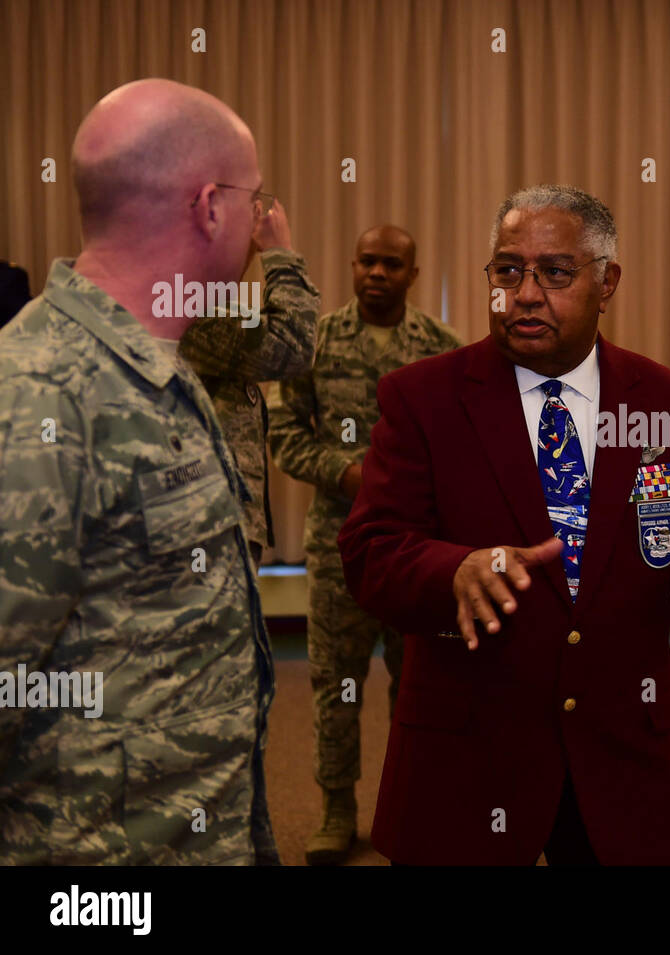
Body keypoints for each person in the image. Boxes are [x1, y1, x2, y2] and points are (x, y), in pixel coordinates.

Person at [337, 185, 670, 866]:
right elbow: (371, 551)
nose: (525, 293)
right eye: (507, 270)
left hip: (622, 763)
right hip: (469, 760)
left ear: (607, 281)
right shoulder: (424, 398)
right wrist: (454, 569)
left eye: (555, 273)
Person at [0, 79, 278, 864]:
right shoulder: (37, 395)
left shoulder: (157, 364)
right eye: (256, 201)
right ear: (210, 206)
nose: (259, 226)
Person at [268, 225, 461, 865]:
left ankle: (416, 806)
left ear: (412, 273)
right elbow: (286, 433)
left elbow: (463, 444)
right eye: (367, 261)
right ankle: (336, 810)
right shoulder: (317, 342)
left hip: (415, 549)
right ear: (352, 266)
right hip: (338, 546)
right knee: (335, 683)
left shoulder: (439, 349)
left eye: (392, 264)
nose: (377, 272)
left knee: (419, 684)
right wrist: (347, 473)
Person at [180, 201, 320, 564]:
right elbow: (291, 345)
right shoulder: (179, 305)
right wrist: (279, 252)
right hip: (208, 533)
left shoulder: (174, 297)